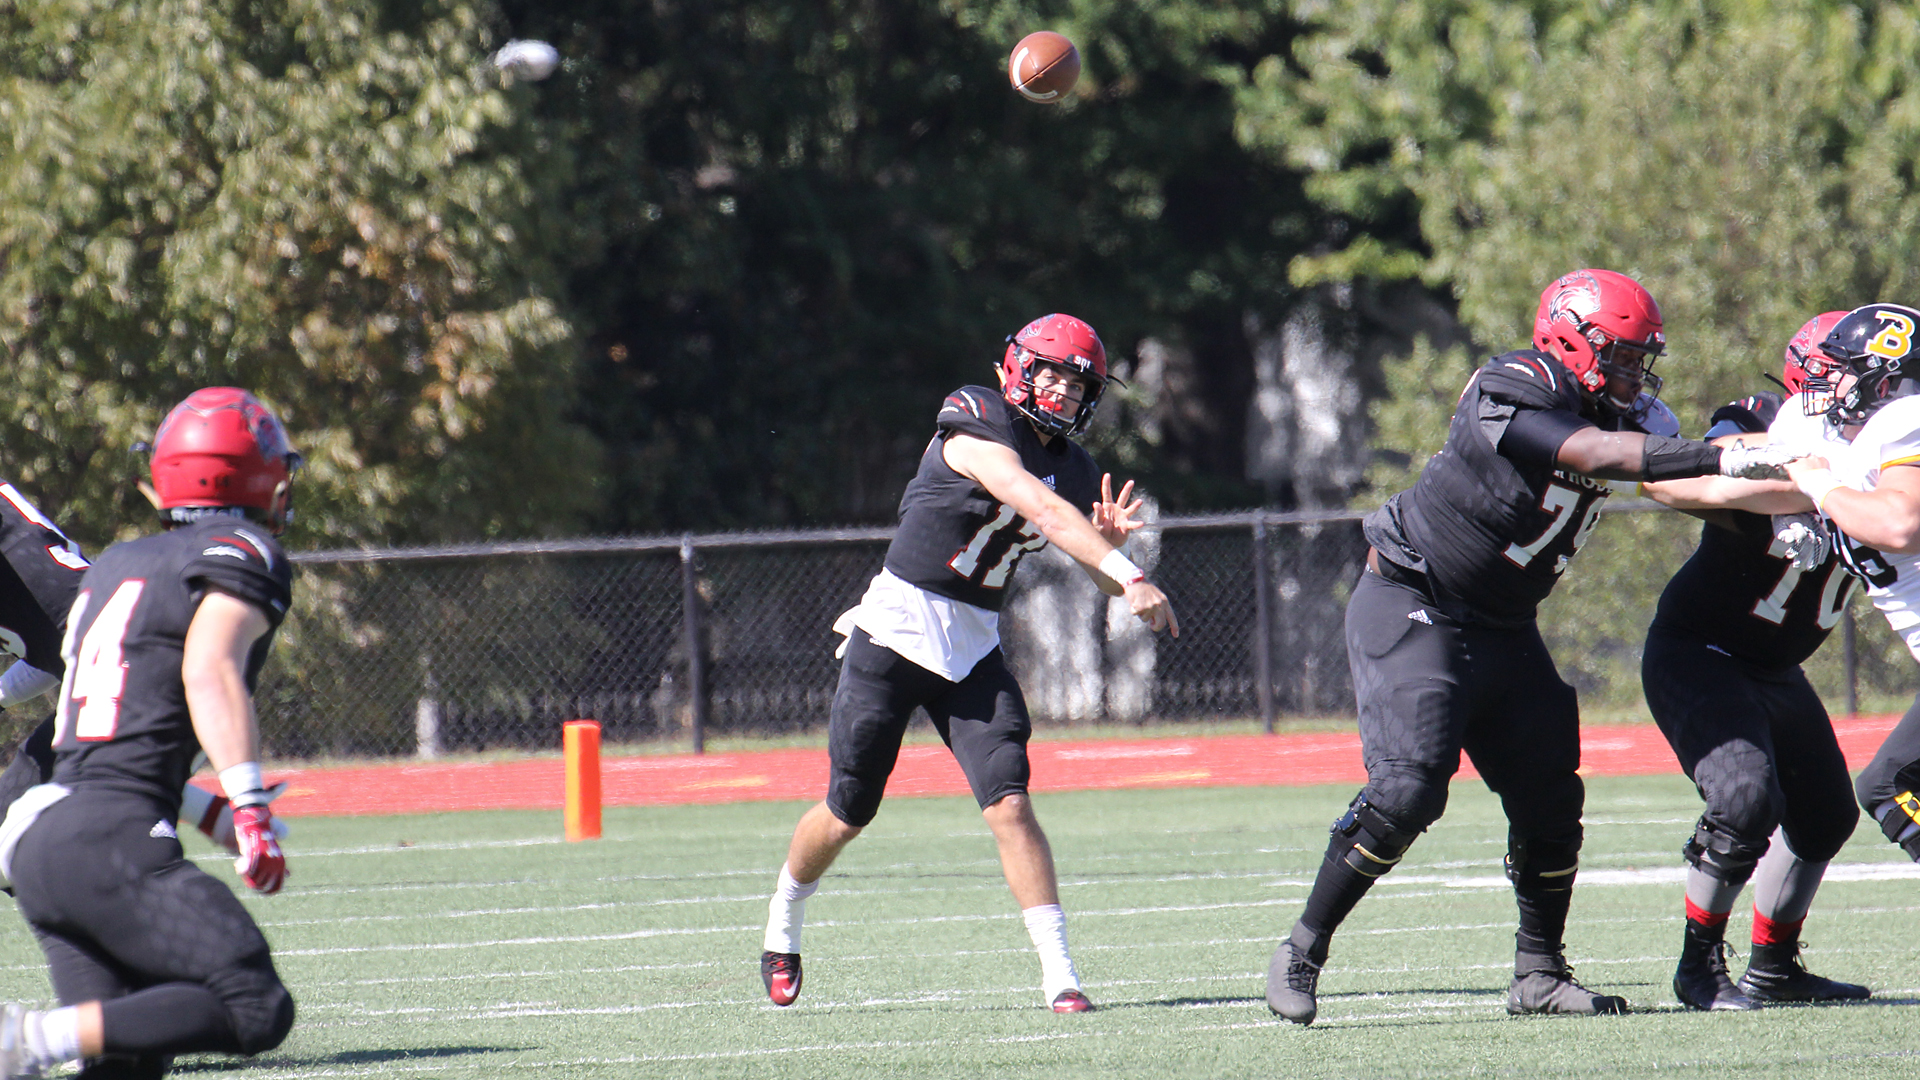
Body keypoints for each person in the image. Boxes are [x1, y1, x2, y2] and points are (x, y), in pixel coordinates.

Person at [1265, 269, 1807, 1026]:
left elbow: (1681, 485)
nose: (1630, 375)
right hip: (1416, 599)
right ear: (1567, 337)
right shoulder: (1513, 381)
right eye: (1615, 356)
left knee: (1552, 797)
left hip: (1505, 624)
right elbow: (1594, 453)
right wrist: (1729, 456)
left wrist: (1807, 485)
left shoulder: (1641, 415)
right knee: (1409, 788)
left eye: (1637, 360)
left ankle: (1539, 973)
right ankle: (1302, 947)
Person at [758, 314, 1178, 1013]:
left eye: (1080, 385)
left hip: (972, 643)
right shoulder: (977, 418)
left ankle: (1061, 977)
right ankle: (782, 924)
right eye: (1054, 375)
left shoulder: (1073, 468)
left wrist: (1110, 556)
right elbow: (1037, 507)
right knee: (847, 809)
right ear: (1017, 368)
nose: (1067, 393)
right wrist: (1125, 570)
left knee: (1010, 801)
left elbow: (1095, 570)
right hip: (896, 629)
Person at [0, 388, 301, 1079]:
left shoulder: (115, 566)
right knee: (254, 1004)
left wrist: (207, 811)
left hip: (42, 840)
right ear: (253, 473)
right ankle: (25, 1039)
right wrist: (250, 807)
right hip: (110, 841)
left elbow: (91, 745)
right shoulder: (243, 551)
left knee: (126, 1065)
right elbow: (210, 668)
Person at [1637, 311, 1869, 1010]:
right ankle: (1698, 968)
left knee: (1828, 815)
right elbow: (1701, 467)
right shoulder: (1762, 421)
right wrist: (1798, 481)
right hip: (1700, 650)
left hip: (1776, 665)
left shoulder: (1895, 454)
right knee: (1744, 797)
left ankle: (1774, 964)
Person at [1760, 304, 1920, 869]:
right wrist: (1658, 471)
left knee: (1888, 787)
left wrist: (1820, 487)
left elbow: (1899, 525)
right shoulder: (1862, 437)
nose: (1829, 381)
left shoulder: (1905, 418)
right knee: (1886, 785)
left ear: (1887, 375)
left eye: (1845, 367)